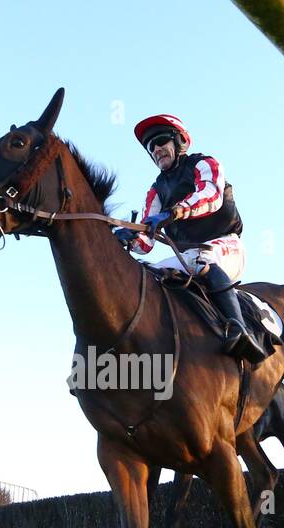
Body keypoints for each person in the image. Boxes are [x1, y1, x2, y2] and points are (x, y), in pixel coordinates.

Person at [114, 114, 267, 363]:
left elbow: (211, 195)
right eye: (151, 147)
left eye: (161, 141)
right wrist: (128, 237)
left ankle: (241, 330)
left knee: (203, 260)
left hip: (225, 245)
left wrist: (173, 212)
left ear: (180, 142)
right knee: (147, 276)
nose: (156, 149)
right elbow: (146, 242)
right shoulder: (155, 191)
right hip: (186, 255)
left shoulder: (204, 163)